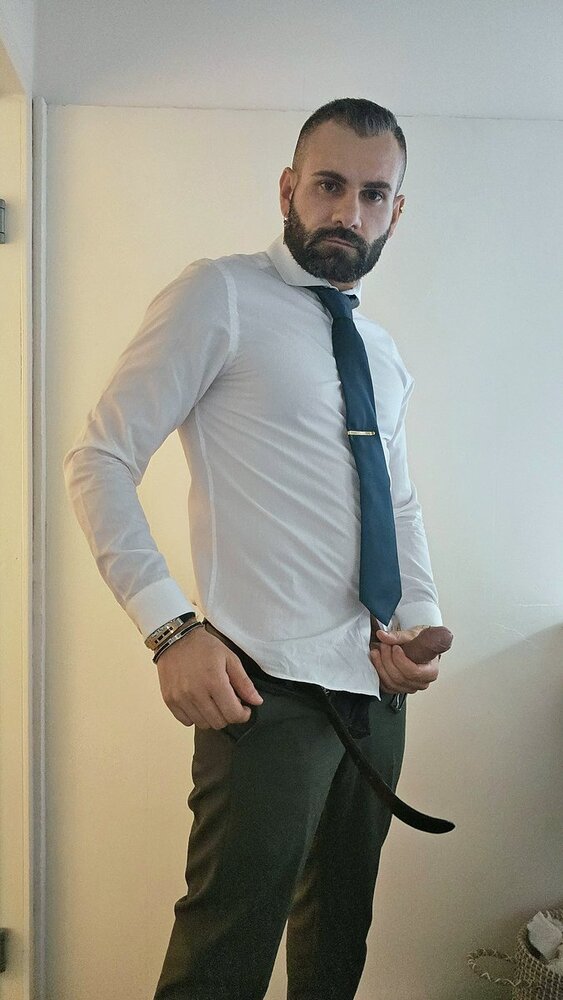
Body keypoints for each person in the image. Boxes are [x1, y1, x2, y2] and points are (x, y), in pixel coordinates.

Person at [63, 97, 444, 1000]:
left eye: (372, 194)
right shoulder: (220, 295)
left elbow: (396, 497)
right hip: (263, 689)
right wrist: (170, 628)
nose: (347, 211)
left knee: (337, 941)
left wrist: (417, 617)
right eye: (328, 185)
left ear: (395, 211)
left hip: (375, 688)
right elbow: (100, 459)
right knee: (225, 956)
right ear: (287, 189)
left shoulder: (381, 352)